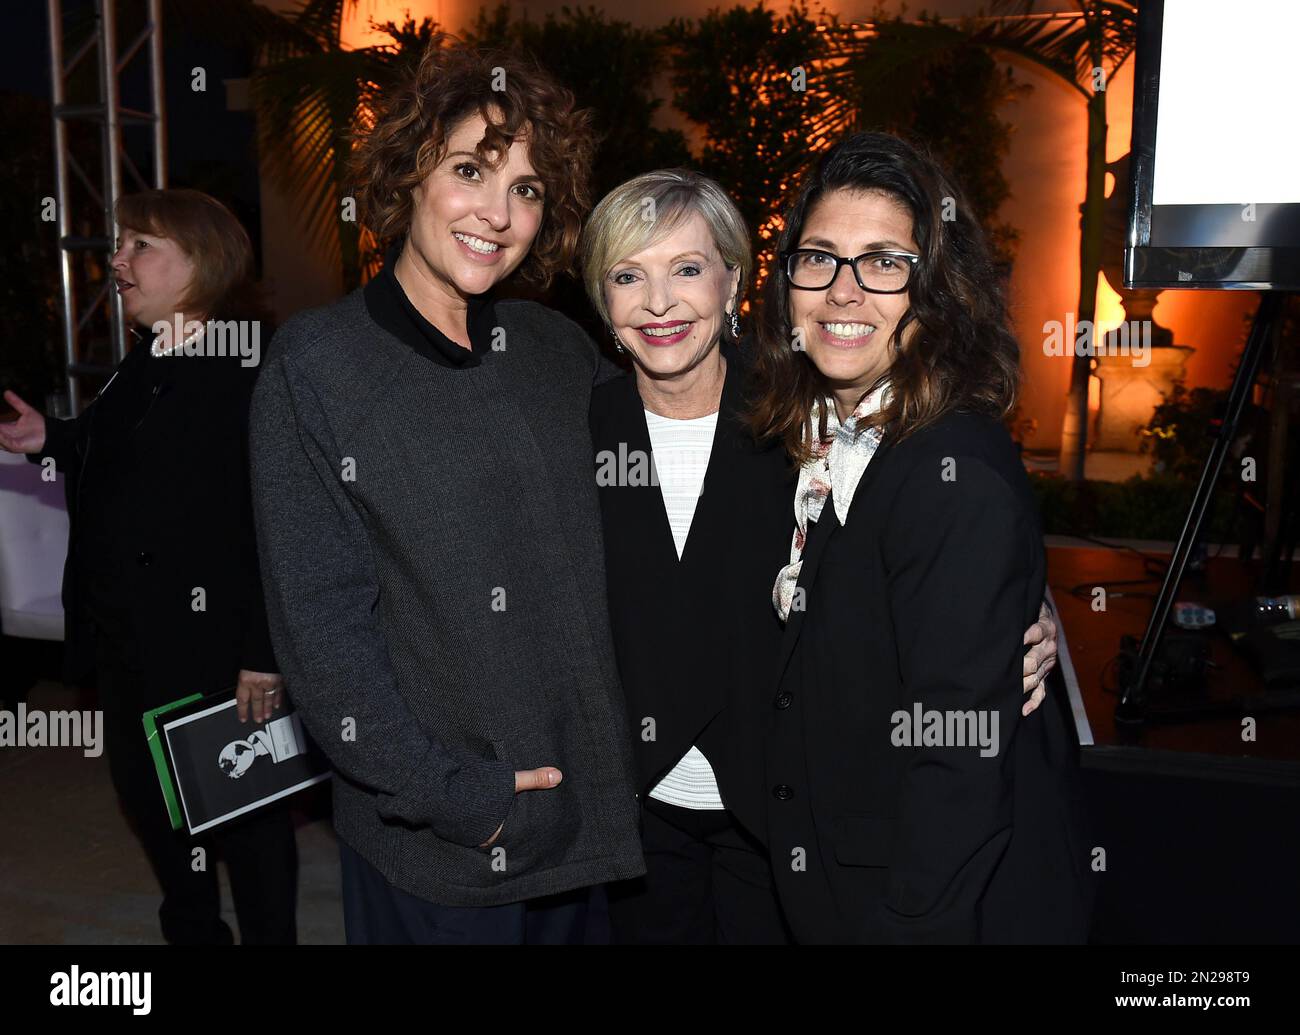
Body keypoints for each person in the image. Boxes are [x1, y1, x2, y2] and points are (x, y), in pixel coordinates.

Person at [582, 169, 1061, 943]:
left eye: (689, 269)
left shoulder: (797, 412)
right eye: (628, 274)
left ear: (735, 280)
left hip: (781, 826)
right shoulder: (576, 426)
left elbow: (930, 543)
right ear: (602, 299)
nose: (660, 302)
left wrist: (1027, 614)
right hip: (636, 821)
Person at [246, 39, 644, 945]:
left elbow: (666, 516)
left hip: (589, 827)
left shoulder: (557, 353)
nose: (498, 214)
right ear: (408, 177)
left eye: (529, 190)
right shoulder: (317, 368)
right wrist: (465, 801)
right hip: (445, 849)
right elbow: (324, 638)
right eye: (471, 171)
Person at [749, 132, 1093, 943]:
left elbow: (958, 774)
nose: (843, 292)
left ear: (935, 290)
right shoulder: (813, 431)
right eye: (820, 258)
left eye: (883, 264)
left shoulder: (951, 471)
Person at [0, 188, 298, 945]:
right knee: (157, 804)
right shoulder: (148, 356)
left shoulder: (249, 368)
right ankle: (195, 933)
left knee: (246, 816)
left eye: (140, 246)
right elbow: (121, 451)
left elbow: (284, 524)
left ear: (200, 262)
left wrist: (263, 656)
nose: (117, 261)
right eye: (120, 244)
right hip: (131, 642)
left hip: (215, 650)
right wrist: (50, 437)